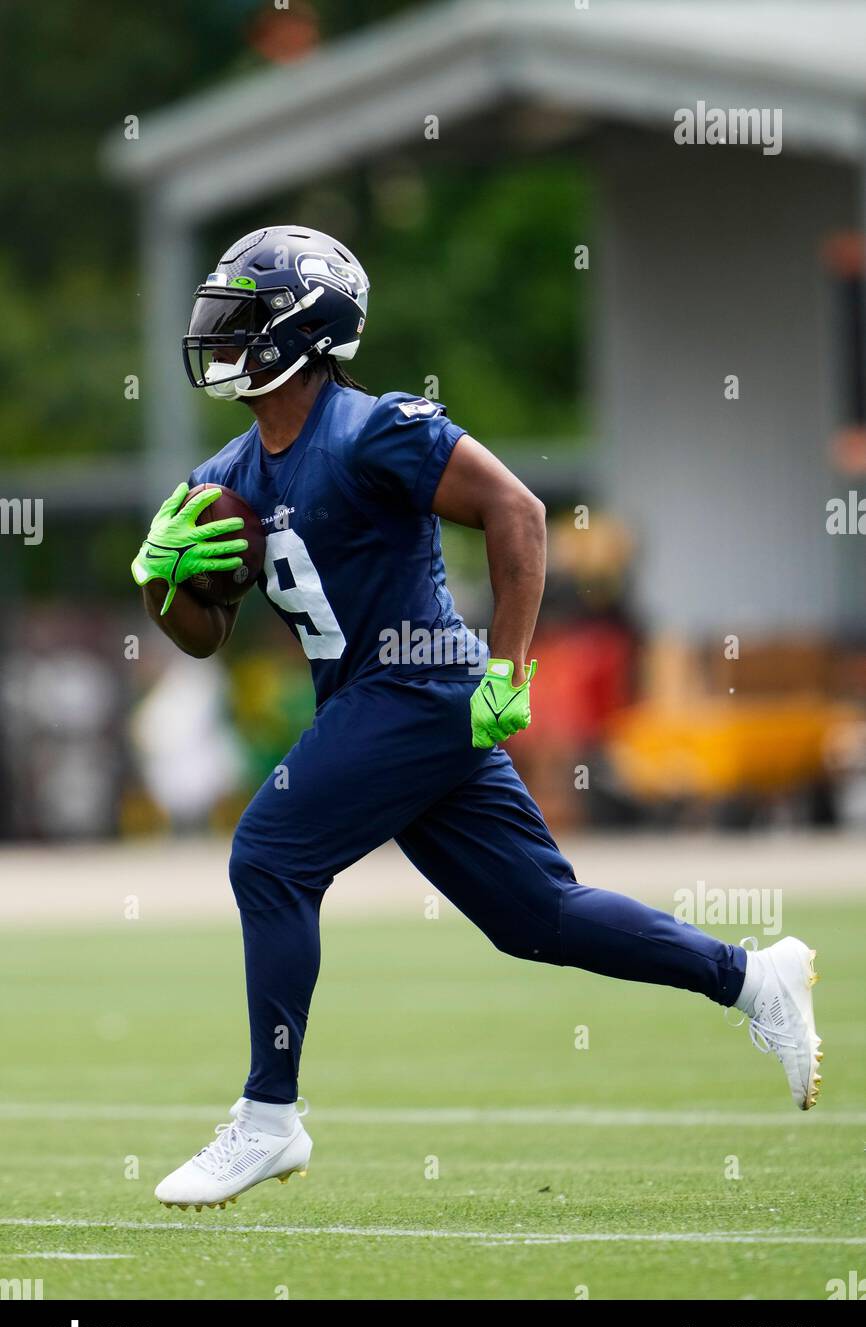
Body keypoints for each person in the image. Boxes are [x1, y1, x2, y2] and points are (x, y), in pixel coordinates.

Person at [131, 227, 822, 1211]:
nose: (219, 335)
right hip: (375, 706)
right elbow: (201, 633)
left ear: (303, 327)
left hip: (417, 688)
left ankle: (269, 1117)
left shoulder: (374, 429)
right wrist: (157, 581)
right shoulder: (227, 477)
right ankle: (751, 978)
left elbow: (519, 512)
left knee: (269, 855)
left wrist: (506, 667)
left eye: (242, 316)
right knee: (536, 916)